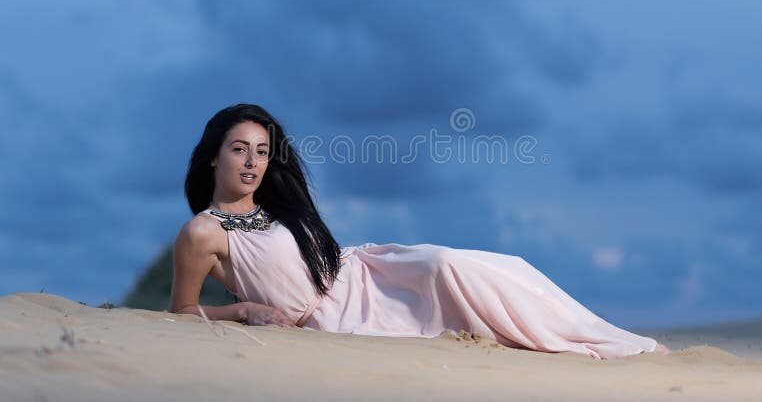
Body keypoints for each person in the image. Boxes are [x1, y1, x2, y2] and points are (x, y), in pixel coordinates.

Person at [170, 103, 670, 360]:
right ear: (214, 154)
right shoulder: (202, 233)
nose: (253, 161)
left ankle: (602, 339)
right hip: (337, 316)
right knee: (457, 287)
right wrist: (243, 309)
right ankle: (583, 344)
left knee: (467, 266)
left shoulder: (279, 206)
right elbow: (181, 312)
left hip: (365, 272)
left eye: (261, 150)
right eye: (240, 149)